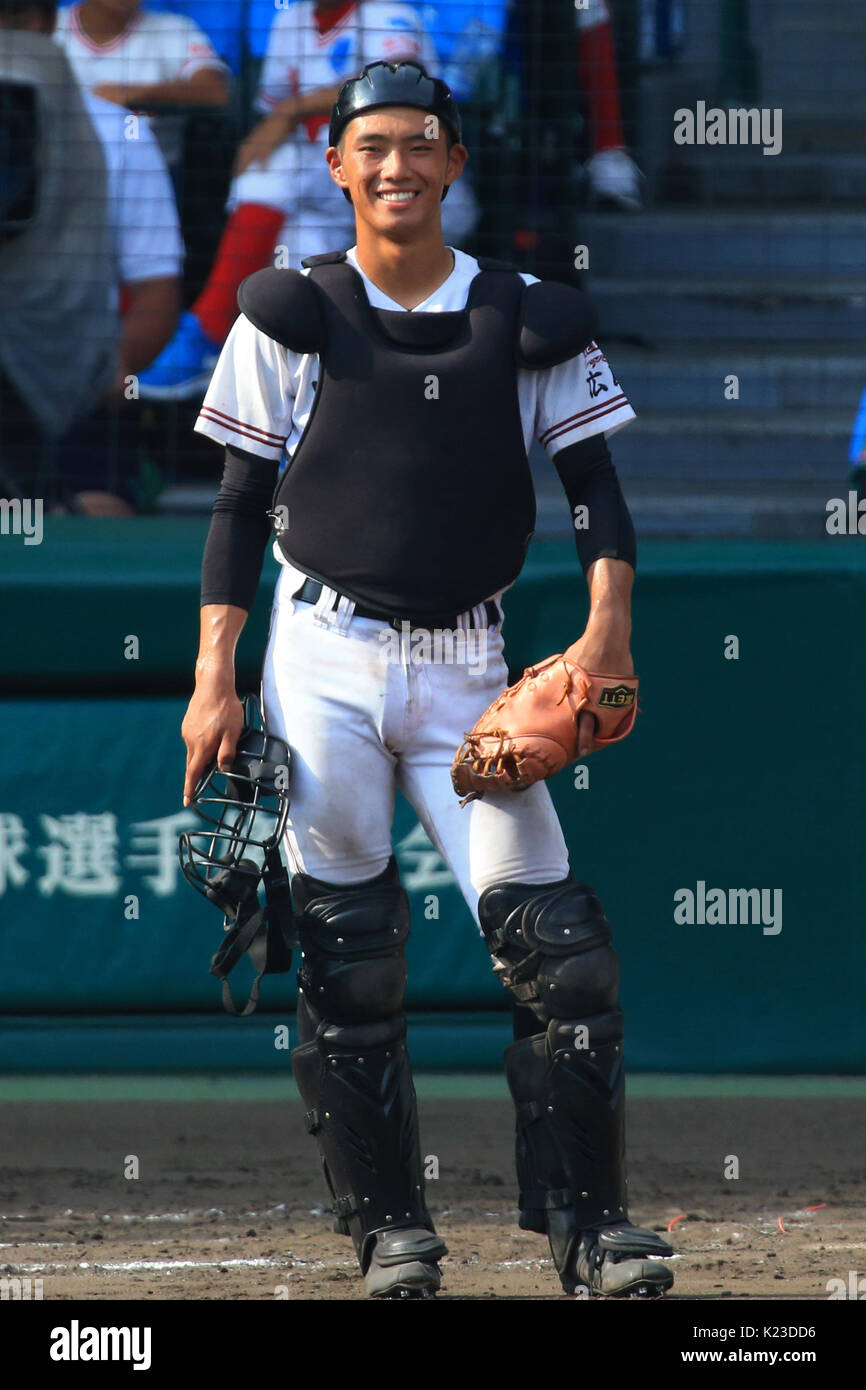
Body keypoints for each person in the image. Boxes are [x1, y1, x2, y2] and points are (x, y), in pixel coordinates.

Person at [181, 58, 674, 1299]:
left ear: (454, 162)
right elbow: (239, 507)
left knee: (561, 954)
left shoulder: (527, 314)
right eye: (371, 146)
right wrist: (213, 678)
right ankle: (390, 1232)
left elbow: (594, 491)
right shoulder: (289, 310)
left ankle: (588, 1225)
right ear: (337, 166)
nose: (394, 165)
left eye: (418, 144)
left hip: (470, 661)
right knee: (349, 959)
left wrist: (606, 634)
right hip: (321, 658)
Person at [138, 0, 479, 400]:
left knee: (270, 170)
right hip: (319, 203)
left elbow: (397, 81)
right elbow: (272, 112)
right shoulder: (289, 22)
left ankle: (208, 328)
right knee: (301, 272)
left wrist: (289, 112)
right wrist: (276, 123)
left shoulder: (386, 12)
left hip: (410, 191)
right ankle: (300, 427)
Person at [0, 0, 182, 513]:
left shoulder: (119, 132)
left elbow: (156, 290)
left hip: (74, 385)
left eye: (14, 19)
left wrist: (113, 370)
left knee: (97, 512)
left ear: (45, 24)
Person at [54, 0, 230, 168]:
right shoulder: (50, 25)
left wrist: (135, 93)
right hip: (62, 169)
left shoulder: (173, 29)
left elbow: (214, 91)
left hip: (150, 173)